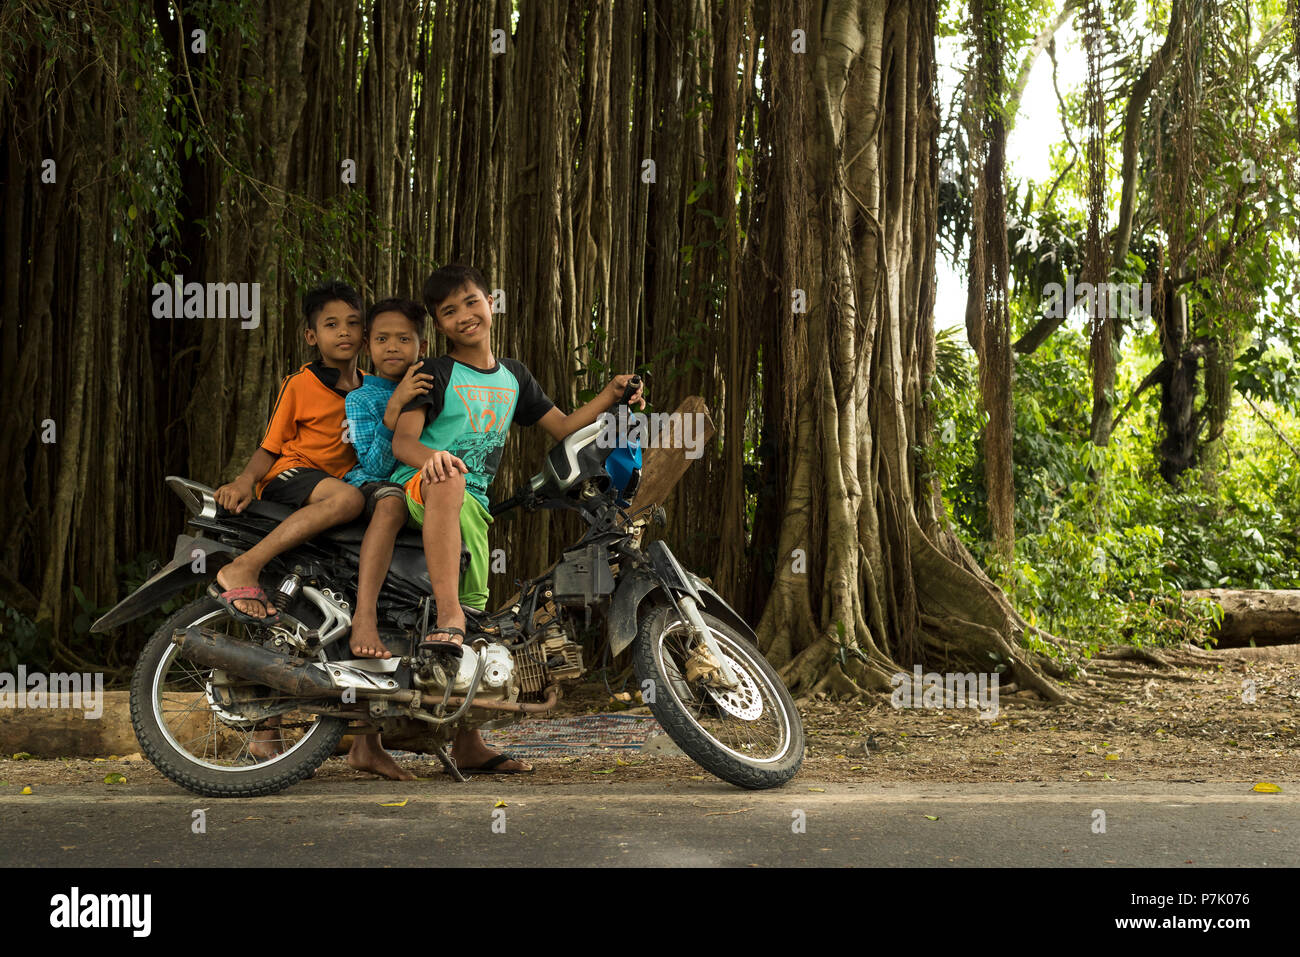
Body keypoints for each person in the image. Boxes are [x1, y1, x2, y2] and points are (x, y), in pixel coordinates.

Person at [389, 263, 644, 774]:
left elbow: (565, 426)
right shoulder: (434, 374)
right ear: (439, 326)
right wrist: (433, 462)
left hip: (472, 507)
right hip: (422, 487)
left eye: (471, 302)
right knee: (456, 609)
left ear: (491, 302)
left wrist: (611, 395)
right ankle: (447, 614)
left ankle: (467, 742)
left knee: (479, 615)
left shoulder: (515, 378)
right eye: (449, 311)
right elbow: (404, 442)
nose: (465, 316)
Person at [212, 280, 367, 759]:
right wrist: (243, 481)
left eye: (353, 323)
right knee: (348, 501)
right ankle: (244, 567)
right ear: (310, 336)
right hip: (294, 478)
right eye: (331, 324)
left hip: (329, 496)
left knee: (298, 617)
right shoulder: (300, 383)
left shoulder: (373, 389)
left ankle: (275, 735)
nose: (343, 332)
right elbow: (270, 445)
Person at [336, 296, 431, 780]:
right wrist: (393, 407)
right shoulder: (359, 397)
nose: (392, 347)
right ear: (367, 345)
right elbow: (371, 465)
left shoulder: (434, 385)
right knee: (391, 498)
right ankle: (364, 616)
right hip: (377, 492)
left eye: (403, 338)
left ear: (422, 344)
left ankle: (462, 733)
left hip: (429, 492)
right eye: (381, 339)